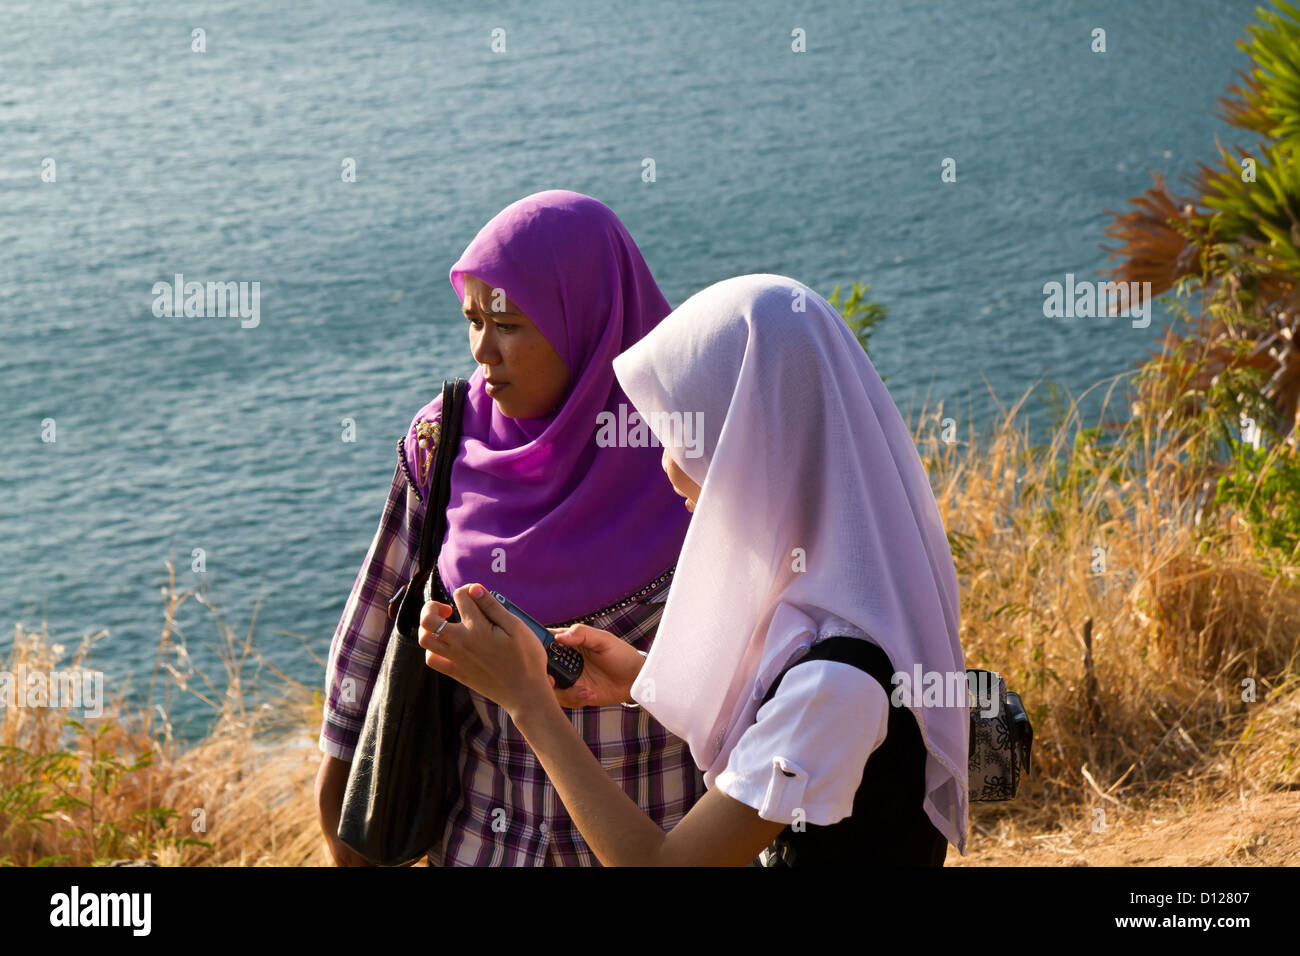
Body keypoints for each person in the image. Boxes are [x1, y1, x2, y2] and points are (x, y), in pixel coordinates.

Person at [419, 273, 970, 866]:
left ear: (754, 442)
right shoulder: (850, 596)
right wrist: (640, 680)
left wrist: (528, 702)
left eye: (680, 437)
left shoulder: (836, 684)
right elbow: (776, 701)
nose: (668, 469)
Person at [316, 190, 706, 866]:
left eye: (510, 325)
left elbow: (763, 689)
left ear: (589, 320)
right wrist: (345, 835)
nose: (482, 350)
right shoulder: (444, 442)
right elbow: (367, 653)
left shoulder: (692, 457)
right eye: (472, 320)